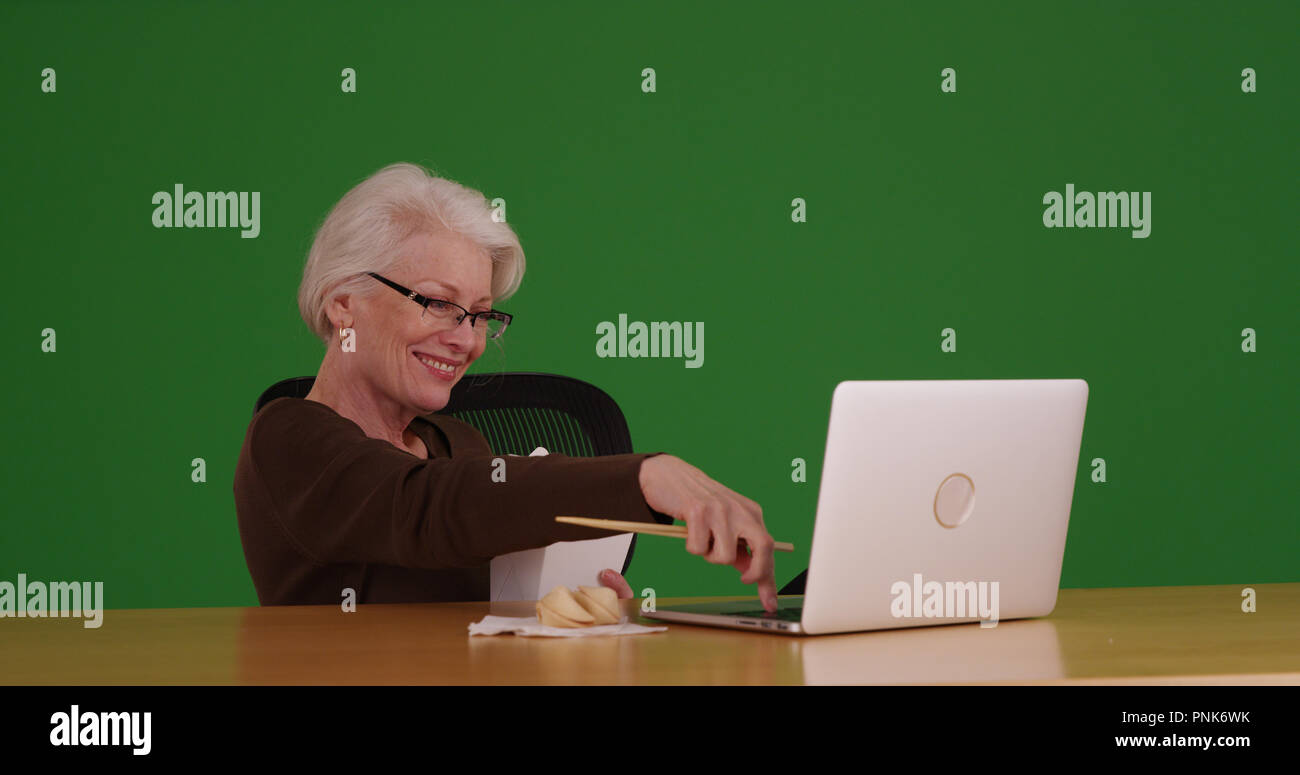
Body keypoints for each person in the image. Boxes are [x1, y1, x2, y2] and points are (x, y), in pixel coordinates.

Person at [233, 162, 777, 611]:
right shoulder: (288, 437)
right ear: (343, 302)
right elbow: (425, 509)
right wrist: (644, 476)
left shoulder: (460, 444)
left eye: (480, 315)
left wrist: (569, 613)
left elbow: (485, 600)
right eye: (439, 304)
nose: (465, 339)